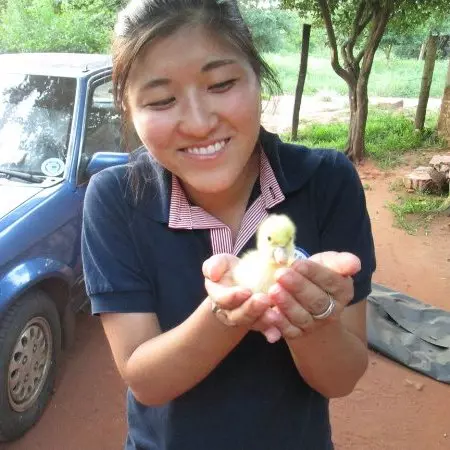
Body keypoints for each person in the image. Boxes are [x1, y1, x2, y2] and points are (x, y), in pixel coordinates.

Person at [81, 0, 376, 449]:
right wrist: (225, 315)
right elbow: (146, 381)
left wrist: (311, 317)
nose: (199, 124)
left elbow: (342, 378)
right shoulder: (114, 200)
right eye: (161, 100)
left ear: (257, 76)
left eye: (221, 84)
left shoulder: (327, 181)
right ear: (129, 107)